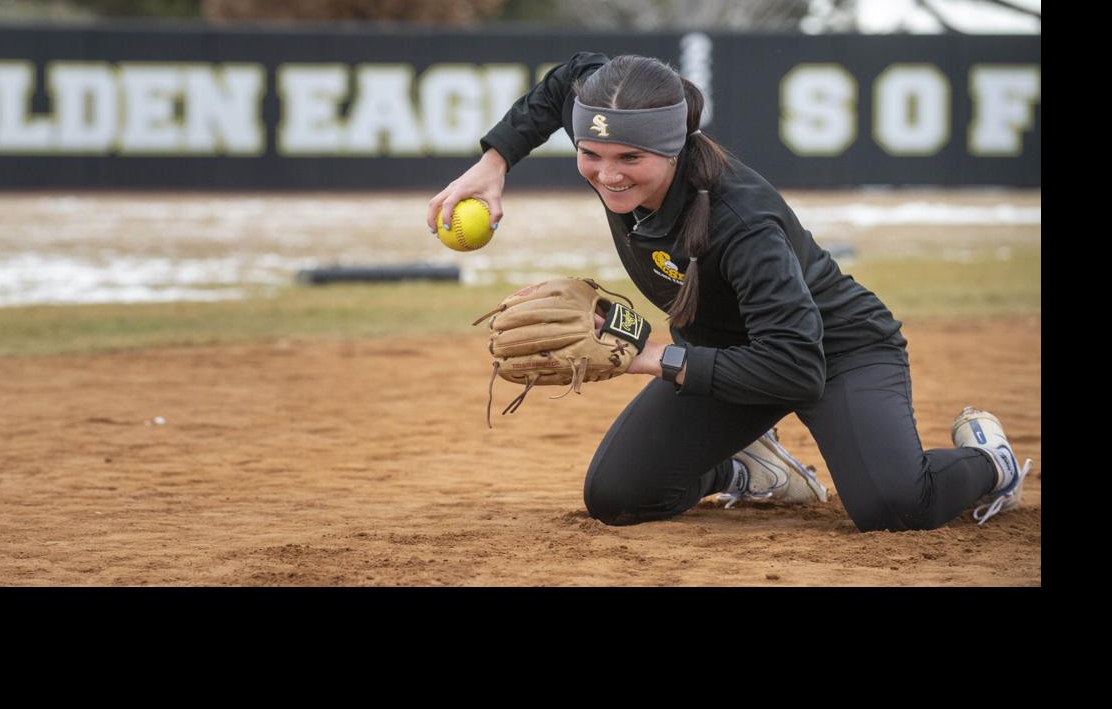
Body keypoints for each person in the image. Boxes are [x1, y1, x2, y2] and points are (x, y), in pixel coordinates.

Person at [426, 52, 1031, 531]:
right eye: (590, 154)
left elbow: (797, 367)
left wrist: (647, 357)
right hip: (721, 350)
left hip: (832, 351)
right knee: (619, 498)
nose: (608, 173)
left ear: (673, 146)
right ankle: (751, 468)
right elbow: (566, 81)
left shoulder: (741, 223)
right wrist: (495, 160)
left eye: (630, 157)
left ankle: (990, 463)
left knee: (895, 506)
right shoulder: (612, 125)